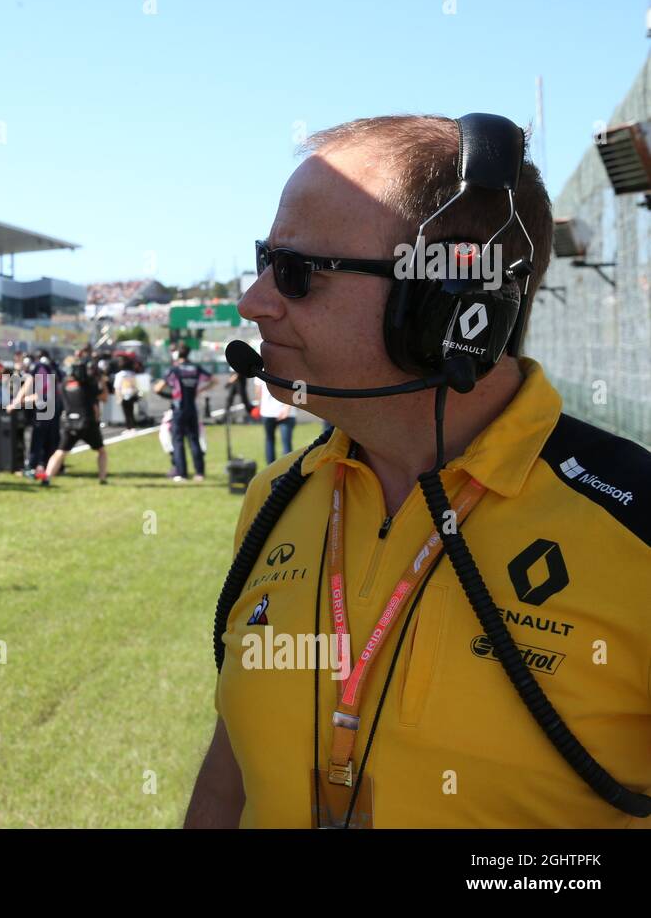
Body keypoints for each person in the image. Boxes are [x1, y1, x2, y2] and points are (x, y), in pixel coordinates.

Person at [185, 114, 650, 829]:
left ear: (447, 301)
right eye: (263, 258)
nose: (253, 301)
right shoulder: (277, 498)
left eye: (296, 272)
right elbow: (230, 774)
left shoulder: (635, 531)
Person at [43, 346, 108, 486]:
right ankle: (102, 478)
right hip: (87, 422)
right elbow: (103, 397)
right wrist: (101, 381)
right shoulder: (87, 386)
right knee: (101, 451)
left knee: (60, 452)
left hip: (69, 422)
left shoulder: (63, 385)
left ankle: (47, 478)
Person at [156, 343, 214, 481]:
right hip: (192, 408)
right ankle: (199, 473)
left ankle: (181, 473)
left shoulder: (175, 369)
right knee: (194, 440)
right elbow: (214, 380)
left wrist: (170, 394)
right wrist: (200, 390)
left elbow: (158, 388)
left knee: (178, 441)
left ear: (177, 354)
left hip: (179, 408)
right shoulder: (196, 368)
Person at [7, 350, 59, 479]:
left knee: (38, 438)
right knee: (51, 439)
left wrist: (16, 403)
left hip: (46, 406)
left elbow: (32, 391)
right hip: (54, 405)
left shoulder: (37, 368)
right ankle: (51, 466)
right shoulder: (49, 368)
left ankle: (31, 466)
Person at [256, 379, 295, 466]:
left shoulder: (261, 366)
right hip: (285, 412)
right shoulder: (291, 367)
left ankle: (270, 471)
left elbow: (258, 390)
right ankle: (286, 471)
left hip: (269, 411)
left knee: (270, 440)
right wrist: (287, 408)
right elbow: (295, 388)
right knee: (286, 443)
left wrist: (260, 406)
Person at [113, 359, 141, 431]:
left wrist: (118, 397)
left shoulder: (119, 375)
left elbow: (117, 387)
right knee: (131, 411)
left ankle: (129, 427)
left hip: (123, 394)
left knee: (126, 412)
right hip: (132, 393)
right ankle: (132, 426)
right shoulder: (132, 373)